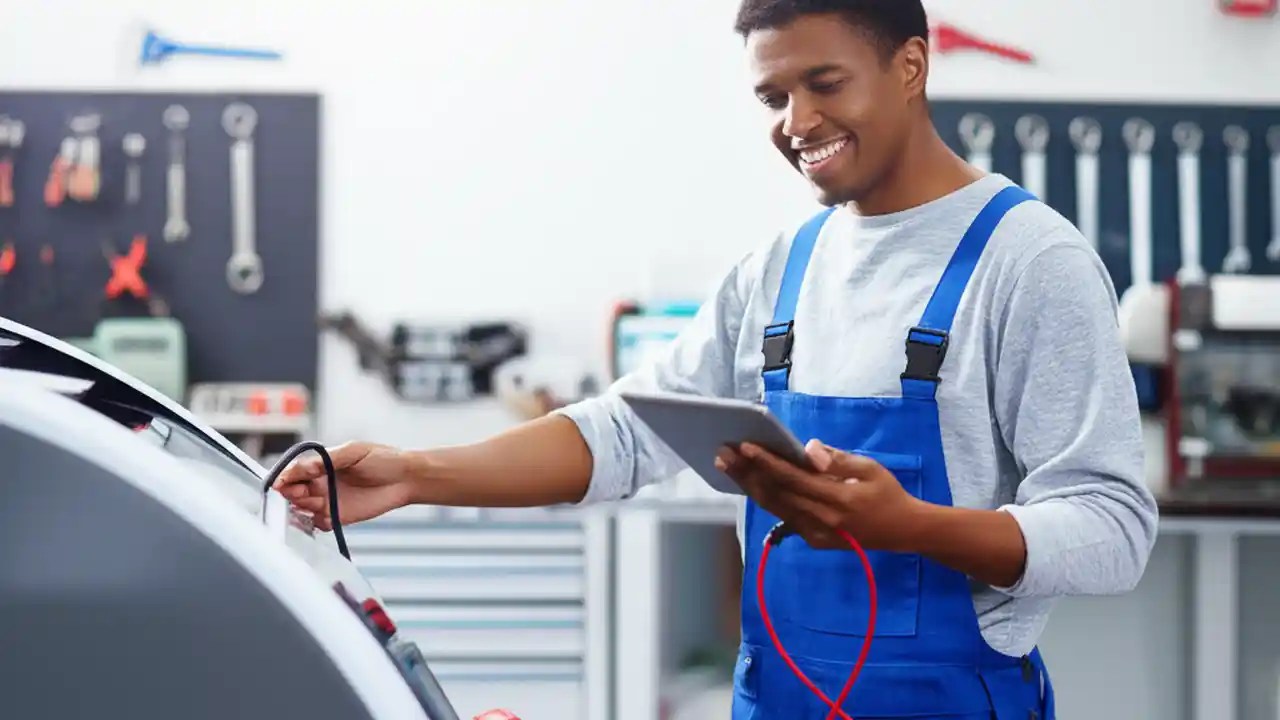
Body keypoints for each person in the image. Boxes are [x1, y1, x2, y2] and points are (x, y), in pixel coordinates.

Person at [275, 1, 1158, 717]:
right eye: (773, 98)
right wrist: (415, 472)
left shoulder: (1029, 263)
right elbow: (625, 433)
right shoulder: (781, 268)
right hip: (777, 702)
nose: (797, 123)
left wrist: (909, 527)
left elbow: (1114, 528)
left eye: (824, 83)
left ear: (911, 67)